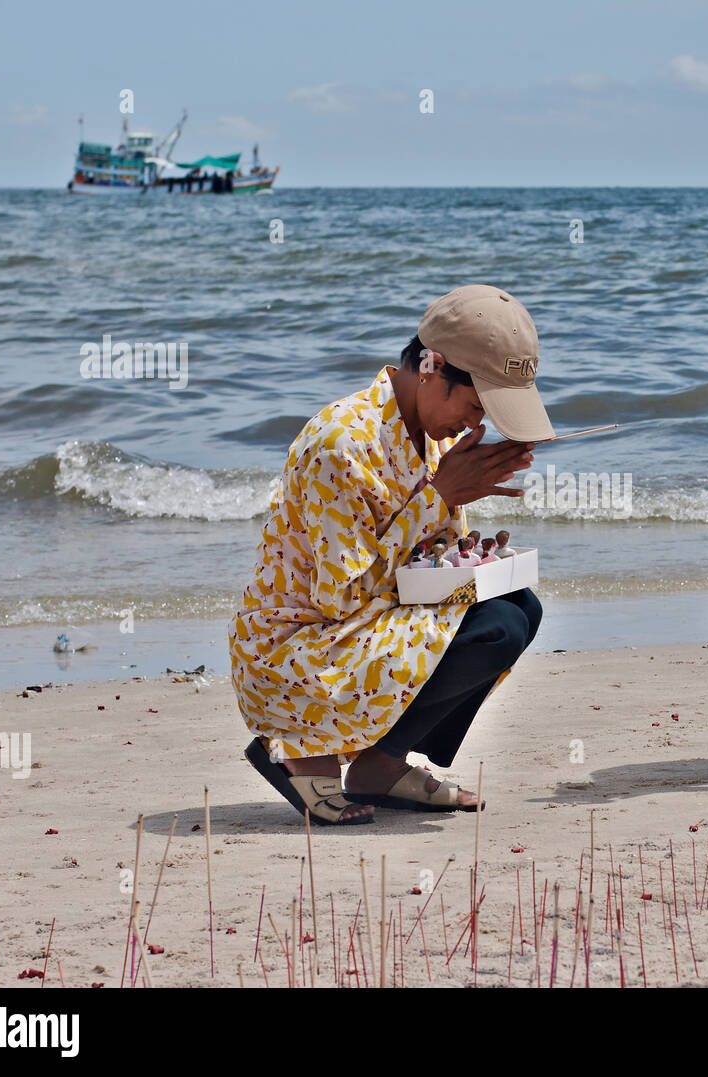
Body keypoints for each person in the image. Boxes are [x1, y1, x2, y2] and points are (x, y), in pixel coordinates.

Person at [231, 285, 554, 823]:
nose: (475, 427)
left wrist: (470, 547)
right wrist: (440, 496)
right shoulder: (340, 442)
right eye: (476, 406)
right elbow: (342, 596)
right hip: (297, 650)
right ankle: (300, 753)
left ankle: (380, 766)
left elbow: (423, 562)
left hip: (360, 626)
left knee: (519, 608)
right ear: (431, 365)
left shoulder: (432, 435)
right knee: (497, 623)